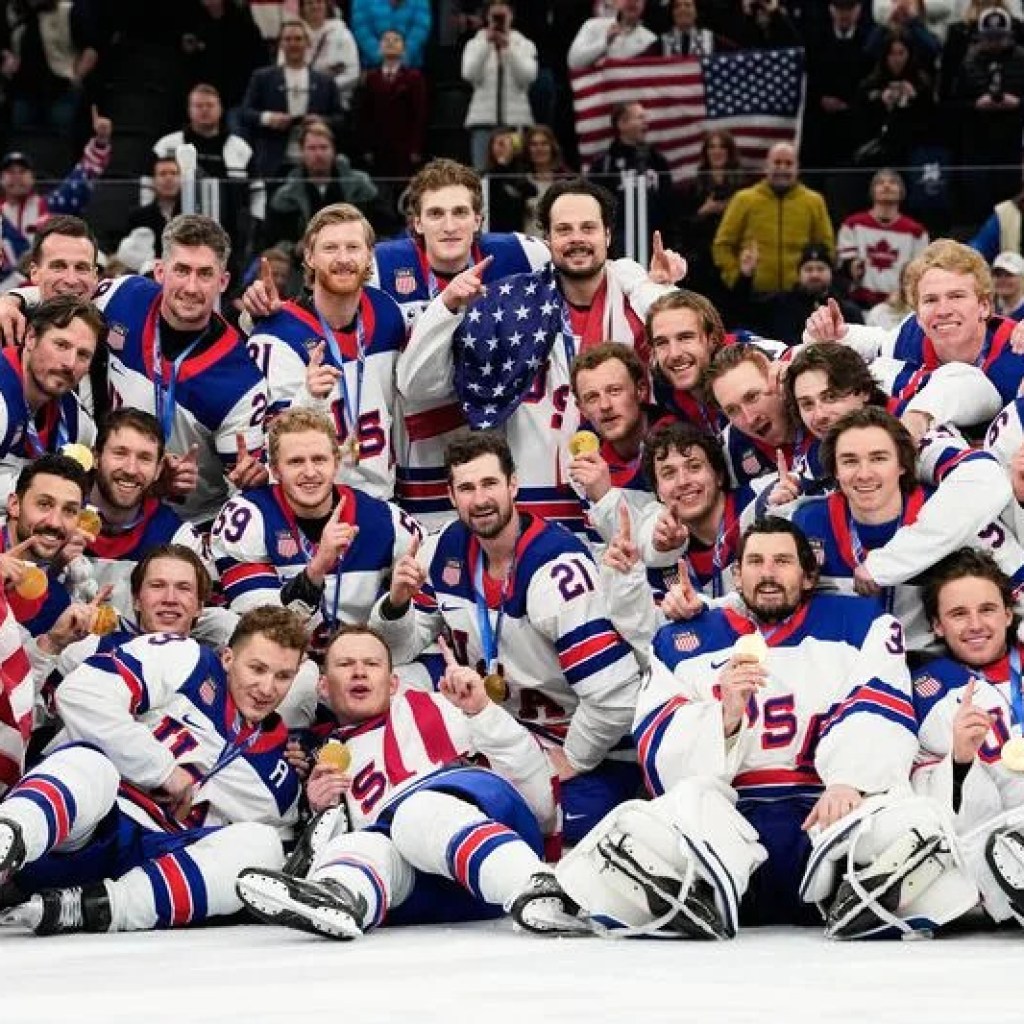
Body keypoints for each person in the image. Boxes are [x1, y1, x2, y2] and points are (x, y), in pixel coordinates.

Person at [515, 517, 977, 939]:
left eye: (782, 561)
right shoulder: (683, 639)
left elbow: (877, 701)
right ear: (737, 576)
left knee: (916, 818)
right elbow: (658, 742)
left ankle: (852, 892)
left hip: (828, 816)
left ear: (809, 576)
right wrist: (725, 716)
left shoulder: (863, 624)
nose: (768, 572)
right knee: (655, 816)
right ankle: (640, 895)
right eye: (755, 561)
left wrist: (849, 779)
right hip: (731, 820)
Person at [242, 158, 550, 530]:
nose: (449, 225)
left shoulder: (523, 254)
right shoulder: (384, 270)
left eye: (460, 212)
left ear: (478, 219)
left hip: (491, 445)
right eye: (435, 213)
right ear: (416, 223)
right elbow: (326, 295)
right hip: (410, 461)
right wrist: (258, 314)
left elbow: (585, 266)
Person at [369, 432, 643, 844]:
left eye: (489, 484)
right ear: (450, 494)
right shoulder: (442, 548)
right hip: (500, 725)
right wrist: (396, 605)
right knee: (401, 701)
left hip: (583, 741)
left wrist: (574, 756)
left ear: (513, 484)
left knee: (535, 832)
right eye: (466, 488)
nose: (479, 499)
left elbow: (617, 694)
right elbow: (401, 649)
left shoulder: (555, 568)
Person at [235, 624, 581, 939]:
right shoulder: (322, 760)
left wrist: (483, 713)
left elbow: (539, 793)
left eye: (371, 664)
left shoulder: (441, 706)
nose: (359, 672)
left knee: (417, 813)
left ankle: (538, 888)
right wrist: (320, 812)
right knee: (363, 845)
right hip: (448, 891)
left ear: (394, 682)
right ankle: (341, 897)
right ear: (323, 687)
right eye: (345, 664)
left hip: (501, 853)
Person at [0, 606, 307, 936]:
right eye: (257, 669)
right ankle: (9, 837)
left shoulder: (282, 774)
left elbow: (270, 876)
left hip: (152, 865)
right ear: (228, 658)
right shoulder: (187, 660)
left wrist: (318, 801)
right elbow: (80, 694)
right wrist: (162, 769)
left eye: (283, 676)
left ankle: (94, 908)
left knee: (265, 846)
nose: (267, 687)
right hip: (86, 825)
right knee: (90, 764)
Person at [404, 177, 682, 535]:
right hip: (536, 511)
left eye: (588, 227)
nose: (577, 238)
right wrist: (445, 307)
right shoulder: (507, 306)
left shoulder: (640, 304)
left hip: (631, 500)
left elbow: (692, 366)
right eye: (564, 229)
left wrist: (658, 289)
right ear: (547, 240)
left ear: (608, 236)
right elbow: (417, 387)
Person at [792, 407, 1021, 652]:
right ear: (835, 471)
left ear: (902, 464)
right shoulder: (807, 522)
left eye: (879, 458)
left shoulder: (954, 515)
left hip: (933, 667)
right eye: (850, 461)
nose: (864, 474)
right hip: (843, 666)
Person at [210, 407, 421, 657]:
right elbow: (265, 634)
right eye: (296, 461)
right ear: (275, 470)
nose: (310, 472)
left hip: (359, 668)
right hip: (285, 671)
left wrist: (396, 606)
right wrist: (317, 568)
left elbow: (408, 642)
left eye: (319, 459)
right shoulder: (248, 517)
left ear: (336, 463)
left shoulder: (386, 521)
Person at [245, 203, 404, 500]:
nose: (343, 259)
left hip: (382, 499)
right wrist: (308, 398)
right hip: (312, 503)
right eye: (330, 248)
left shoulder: (386, 313)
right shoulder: (276, 335)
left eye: (353, 247)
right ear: (309, 256)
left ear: (369, 255)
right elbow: (273, 443)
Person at [805, 238, 1024, 436]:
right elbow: (879, 343)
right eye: (930, 300)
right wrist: (837, 334)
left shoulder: (1016, 352)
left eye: (956, 296)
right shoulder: (912, 335)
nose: (943, 310)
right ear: (918, 315)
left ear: (984, 307)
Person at [912, 548, 1024, 928]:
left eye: (987, 609)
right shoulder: (927, 689)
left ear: (1008, 613)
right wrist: (959, 760)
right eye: (958, 614)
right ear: (937, 626)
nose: (975, 624)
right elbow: (929, 803)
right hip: (999, 846)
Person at [75, 409, 222, 637]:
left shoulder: (177, 536)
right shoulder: (62, 517)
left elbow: (207, 612)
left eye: (144, 458)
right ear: (95, 457)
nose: (131, 469)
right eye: (120, 453)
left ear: (159, 469)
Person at [144, 84, 265, 280]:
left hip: (231, 233)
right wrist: (151, 212)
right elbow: (148, 183)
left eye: (209, 105)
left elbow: (258, 191)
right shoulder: (167, 145)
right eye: (198, 105)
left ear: (220, 108)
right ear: (189, 109)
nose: (204, 110)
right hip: (175, 230)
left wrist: (256, 222)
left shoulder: (240, 148)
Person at [0, 295, 103, 503]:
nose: (70, 363)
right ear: (30, 337)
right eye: (61, 345)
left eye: (83, 354)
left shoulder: (76, 420)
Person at [0, 106, 113, 282]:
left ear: (33, 177)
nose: (17, 177)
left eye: (22, 171)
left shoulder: (52, 206)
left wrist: (101, 141)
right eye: (10, 172)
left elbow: (82, 175)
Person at [713, 143, 835, 296]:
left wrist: (813, 280)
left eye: (788, 163)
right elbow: (722, 245)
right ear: (766, 167)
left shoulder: (814, 201)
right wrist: (736, 278)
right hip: (753, 295)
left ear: (797, 168)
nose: (782, 168)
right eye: (777, 162)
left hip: (800, 297)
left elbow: (826, 246)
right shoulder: (743, 199)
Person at [238, 19, 344, 178]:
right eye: (287, 39)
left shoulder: (325, 81)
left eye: (298, 39)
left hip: (315, 164)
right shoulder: (262, 77)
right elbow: (245, 112)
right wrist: (269, 118)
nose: (293, 44)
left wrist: (321, 121)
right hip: (273, 161)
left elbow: (341, 119)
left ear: (308, 43)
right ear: (280, 44)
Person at [262, 119, 382, 250]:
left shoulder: (360, 185)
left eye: (324, 147)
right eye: (312, 148)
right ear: (302, 152)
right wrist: (296, 248)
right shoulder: (285, 195)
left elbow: (383, 228)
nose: (318, 154)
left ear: (334, 151)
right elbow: (274, 240)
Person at [731, 242, 864, 344]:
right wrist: (745, 277)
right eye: (808, 269)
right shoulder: (779, 303)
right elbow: (742, 311)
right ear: (798, 274)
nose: (814, 274)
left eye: (820, 268)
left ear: (831, 273)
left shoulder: (847, 310)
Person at [587, 102, 673, 257]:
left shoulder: (656, 159)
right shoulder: (605, 163)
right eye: (640, 118)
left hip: (653, 238)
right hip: (618, 240)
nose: (645, 122)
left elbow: (668, 199)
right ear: (622, 124)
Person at [837, 169, 929, 310]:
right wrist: (853, 267)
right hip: (860, 305)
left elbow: (919, 271)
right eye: (880, 182)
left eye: (893, 182)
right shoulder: (853, 225)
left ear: (902, 192)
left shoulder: (916, 232)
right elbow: (842, 267)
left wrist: (903, 295)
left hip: (900, 307)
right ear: (872, 191)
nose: (886, 186)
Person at [461, 1, 537, 171]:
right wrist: (486, 45)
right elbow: (469, 74)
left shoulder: (523, 44)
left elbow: (528, 77)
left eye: (502, 16)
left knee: (516, 173)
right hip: (483, 123)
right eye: (495, 17)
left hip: (516, 123)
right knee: (482, 175)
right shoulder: (476, 43)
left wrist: (508, 49)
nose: (499, 21)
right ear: (487, 18)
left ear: (511, 17)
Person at [352, 29, 427, 178]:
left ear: (404, 47)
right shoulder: (371, 78)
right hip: (378, 146)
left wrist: (416, 148)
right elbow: (365, 115)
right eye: (386, 40)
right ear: (379, 47)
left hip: (404, 146)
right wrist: (367, 147)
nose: (391, 43)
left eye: (396, 40)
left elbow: (420, 113)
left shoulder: (413, 78)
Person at [286, 0, 361, 112]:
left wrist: (323, 89)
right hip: (297, 100)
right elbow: (283, 69)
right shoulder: (292, 34)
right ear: (302, 7)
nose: (315, 6)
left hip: (334, 102)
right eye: (309, 3)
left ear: (326, 6)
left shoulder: (342, 34)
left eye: (319, 2)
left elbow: (352, 73)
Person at [567, 0, 657, 69]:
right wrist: (605, 42)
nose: (632, 3)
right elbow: (574, 63)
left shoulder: (650, 39)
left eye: (637, 0)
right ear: (615, 2)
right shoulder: (593, 25)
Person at [481, 128, 535, 234]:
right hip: (492, 232)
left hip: (517, 234)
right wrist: (502, 163)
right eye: (501, 144)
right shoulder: (486, 175)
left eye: (509, 145)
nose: (505, 148)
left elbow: (532, 191)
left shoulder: (520, 173)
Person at [350, 0, 433, 69]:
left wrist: (406, 55)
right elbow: (361, 28)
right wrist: (378, 56)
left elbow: (421, 27)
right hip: (372, 66)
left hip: (410, 67)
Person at [127, 157, 182, 244]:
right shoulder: (138, 217)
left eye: (174, 173)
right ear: (153, 181)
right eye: (162, 174)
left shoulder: (191, 214)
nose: (169, 178)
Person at [992, 250, 1024, 318]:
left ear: (1022, 278)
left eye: (1009, 275)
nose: (1002, 280)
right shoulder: (992, 314)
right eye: (998, 275)